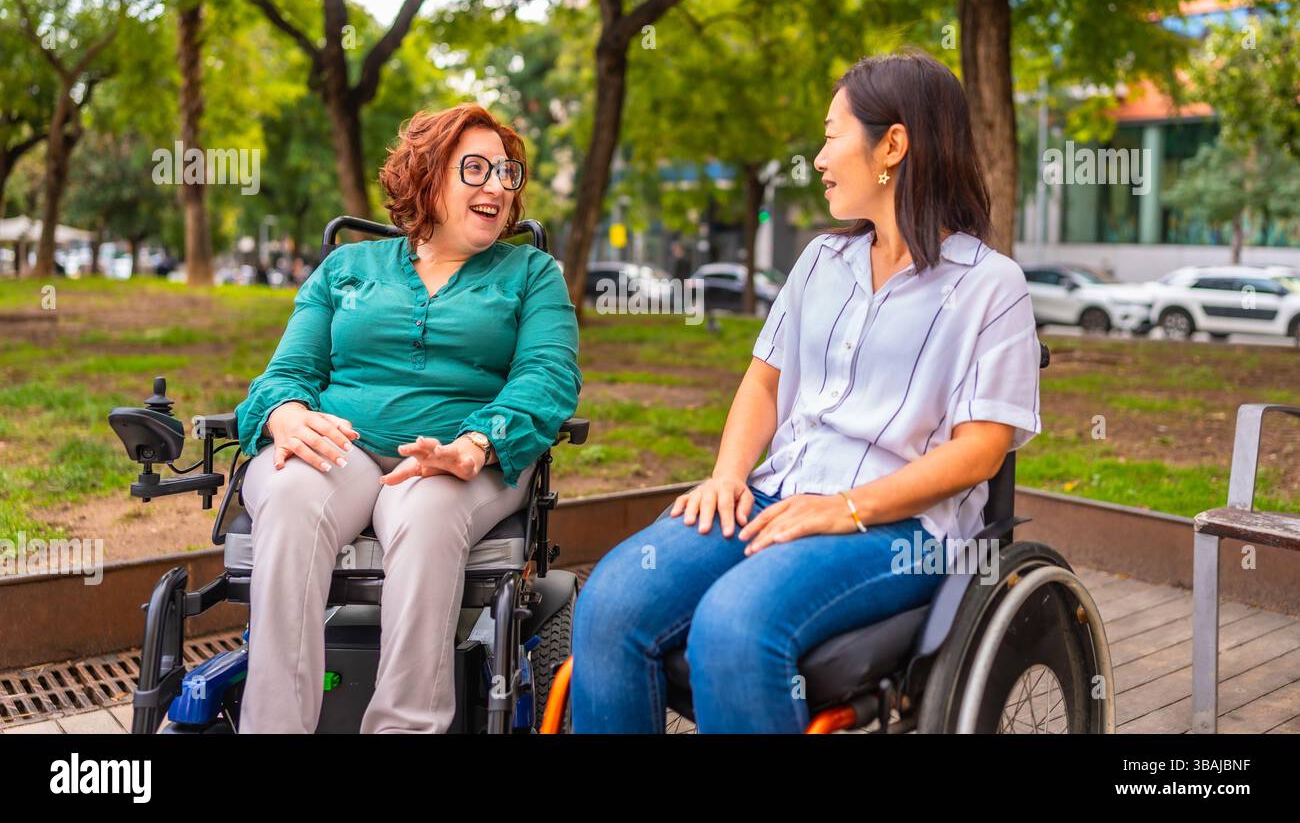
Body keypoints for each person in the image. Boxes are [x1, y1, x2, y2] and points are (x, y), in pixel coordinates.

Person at [569, 49, 1042, 733]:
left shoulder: (990, 286)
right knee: (611, 602)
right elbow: (764, 381)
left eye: (830, 135)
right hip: (774, 496)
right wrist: (728, 478)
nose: (818, 158)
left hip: (901, 529)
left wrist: (845, 508)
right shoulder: (822, 260)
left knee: (734, 624)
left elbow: (979, 454)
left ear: (893, 145)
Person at [233, 103, 582, 733]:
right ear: (427, 176)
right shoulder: (346, 269)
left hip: (461, 456)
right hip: (341, 449)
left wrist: (477, 443)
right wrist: (284, 413)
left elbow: (548, 377)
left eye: (508, 172)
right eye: (476, 168)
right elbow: (286, 373)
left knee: (427, 512)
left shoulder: (531, 274)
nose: (498, 186)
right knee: (287, 497)